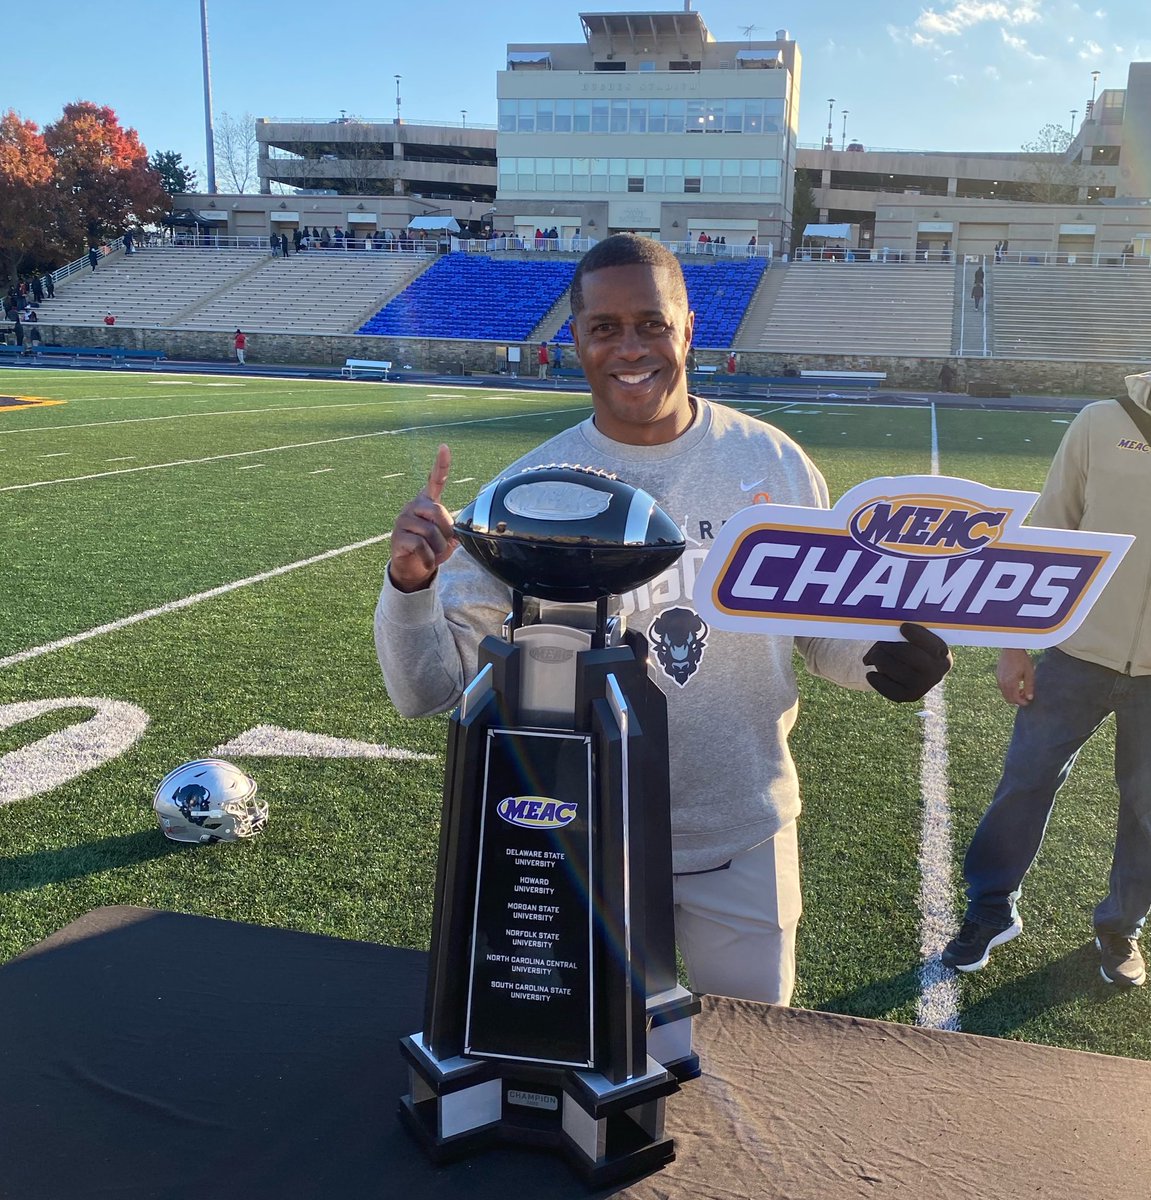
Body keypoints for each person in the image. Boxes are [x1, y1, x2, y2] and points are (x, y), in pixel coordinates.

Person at [375, 235, 952, 1007]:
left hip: (741, 827)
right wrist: (408, 586)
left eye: (651, 323)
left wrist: (881, 657)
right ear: (572, 342)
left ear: (687, 330)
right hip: (576, 837)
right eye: (604, 327)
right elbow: (428, 691)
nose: (630, 347)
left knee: (750, 1062)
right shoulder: (527, 492)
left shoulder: (773, 464)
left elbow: (818, 629)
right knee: (594, 1070)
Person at [941, 372, 1151, 989]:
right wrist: (1015, 643)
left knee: (1147, 809)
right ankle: (990, 908)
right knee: (1026, 781)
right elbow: (1048, 533)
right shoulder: (1100, 422)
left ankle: (1120, 928)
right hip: (1075, 651)